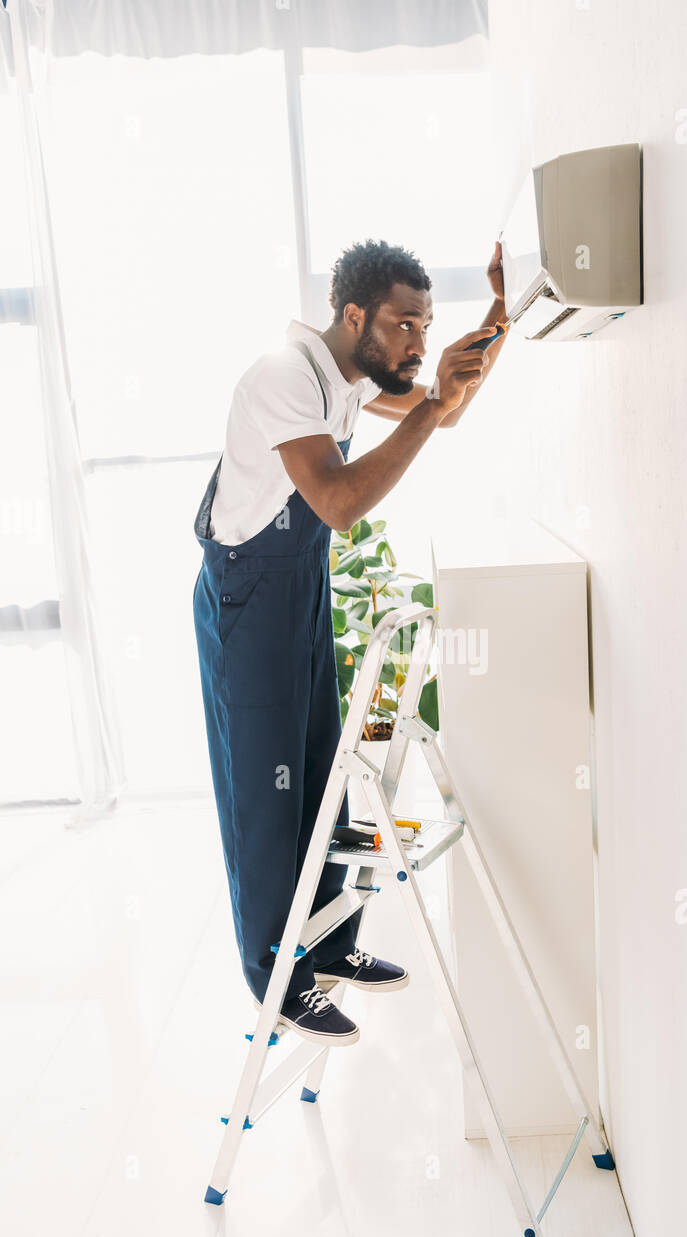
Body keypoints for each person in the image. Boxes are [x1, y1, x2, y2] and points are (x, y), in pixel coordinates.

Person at [192, 237, 508, 1046]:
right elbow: (336, 502)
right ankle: (277, 984)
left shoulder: (345, 383)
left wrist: (500, 324)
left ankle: (329, 948)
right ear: (355, 314)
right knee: (267, 795)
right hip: (249, 592)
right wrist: (433, 405)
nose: (417, 343)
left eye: (426, 327)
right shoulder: (284, 377)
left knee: (323, 770)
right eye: (405, 325)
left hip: (298, 583)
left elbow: (446, 407)